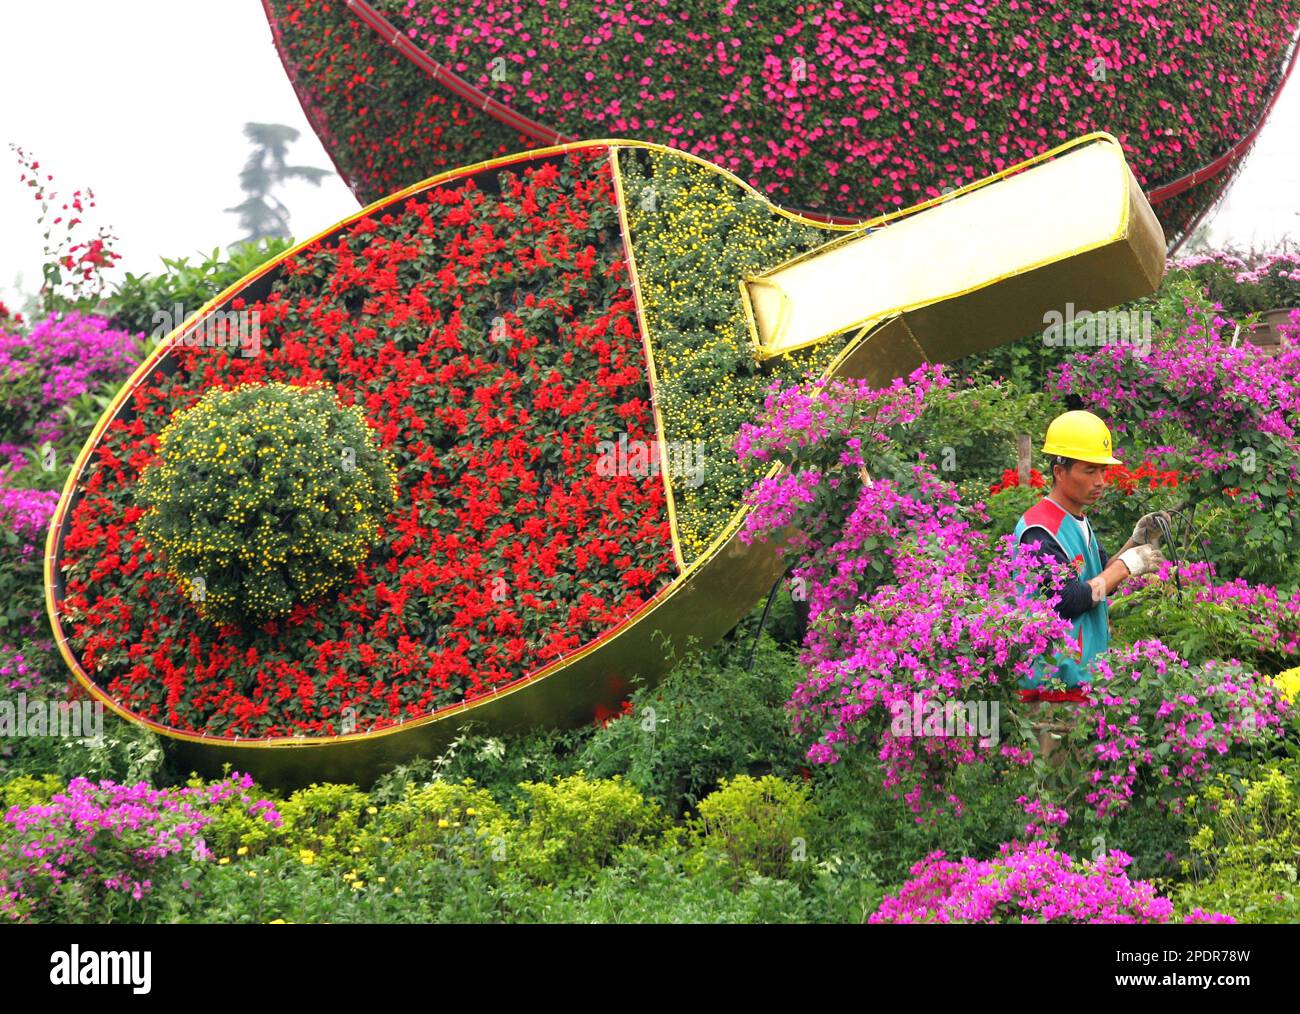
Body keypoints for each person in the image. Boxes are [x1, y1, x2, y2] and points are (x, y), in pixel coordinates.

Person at [1014, 410, 1169, 755]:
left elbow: (1098, 581)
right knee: (1050, 791)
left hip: (1084, 680)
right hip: (1054, 687)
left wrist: (1136, 542)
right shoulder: (1039, 530)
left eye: (1103, 470)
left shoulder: (1077, 520)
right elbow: (1067, 600)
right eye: (1090, 470)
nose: (1100, 480)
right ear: (1059, 470)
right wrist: (1126, 567)